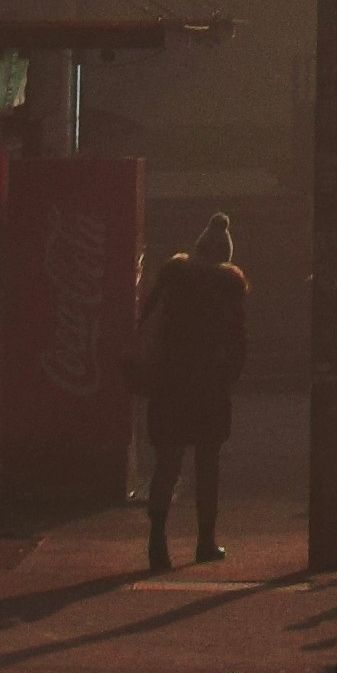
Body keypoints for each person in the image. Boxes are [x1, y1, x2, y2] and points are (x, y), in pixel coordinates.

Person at [138, 210, 251, 573]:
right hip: (209, 390)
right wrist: (225, 377)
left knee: (167, 464)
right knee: (207, 465)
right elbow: (238, 347)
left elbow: (146, 324)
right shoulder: (228, 288)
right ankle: (205, 541)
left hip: (169, 386)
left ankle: (157, 542)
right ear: (225, 255)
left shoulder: (172, 279)